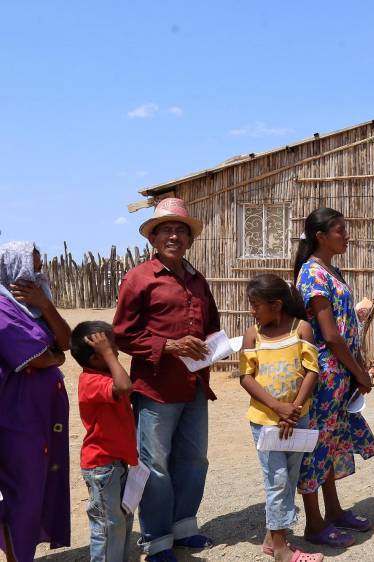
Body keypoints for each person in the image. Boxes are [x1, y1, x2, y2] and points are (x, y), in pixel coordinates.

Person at [112, 198, 220, 561]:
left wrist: (212, 347)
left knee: (194, 459)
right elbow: (123, 334)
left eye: (181, 230)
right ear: (153, 238)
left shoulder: (198, 280)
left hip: (194, 386)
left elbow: (213, 327)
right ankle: (157, 539)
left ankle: (184, 527)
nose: (174, 235)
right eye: (166, 230)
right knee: (154, 464)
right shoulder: (139, 278)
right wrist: (169, 345)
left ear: (189, 239)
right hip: (156, 387)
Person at [294, 208, 374, 548]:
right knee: (316, 446)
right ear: (320, 236)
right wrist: (359, 372)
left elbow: (346, 327)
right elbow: (329, 335)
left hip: (340, 373)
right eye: (340, 230)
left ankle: (334, 511)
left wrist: (358, 365)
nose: (347, 235)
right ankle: (313, 524)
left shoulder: (332, 270)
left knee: (331, 443)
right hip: (326, 374)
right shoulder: (312, 274)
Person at [238, 274, 324, 562]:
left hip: (296, 420)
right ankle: (281, 550)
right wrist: (278, 407)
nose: (252, 310)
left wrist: (294, 408)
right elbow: (246, 378)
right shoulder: (253, 335)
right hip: (265, 421)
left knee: (289, 477)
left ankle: (271, 537)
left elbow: (312, 371)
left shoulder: (301, 330)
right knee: (275, 479)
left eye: (255, 304)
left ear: (276, 305)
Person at [0, 241, 71, 562]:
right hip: (16, 412)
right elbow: (40, 357)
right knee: (23, 489)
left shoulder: (36, 306)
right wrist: (54, 357)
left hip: (43, 411)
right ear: (13, 270)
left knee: (41, 482)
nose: (38, 276)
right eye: (32, 269)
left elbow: (66, 342)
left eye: (40, 269)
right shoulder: (1, 307)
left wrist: (46, 306)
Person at [71, 322, 137, 562]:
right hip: (101, 465)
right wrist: (110, 355)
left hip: (115, 463)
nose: (116, 350)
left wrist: (108, 354)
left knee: (120, 519)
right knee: (107, 526)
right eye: (111, 347)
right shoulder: (90, 380)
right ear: (96, 358)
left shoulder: (104, 374)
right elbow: (124, 386)